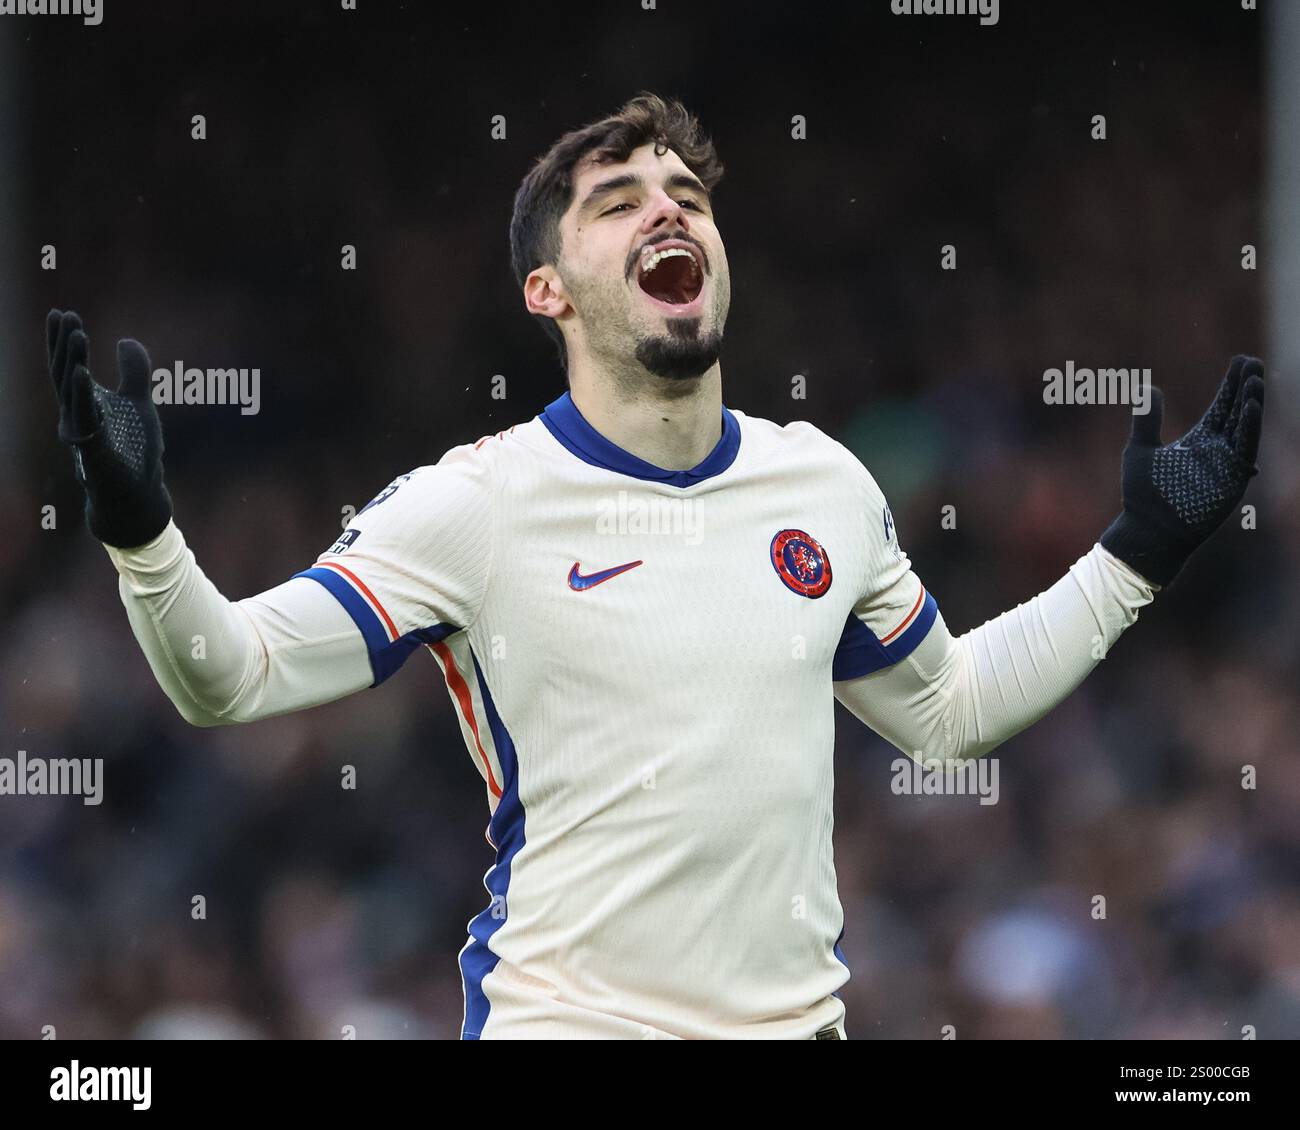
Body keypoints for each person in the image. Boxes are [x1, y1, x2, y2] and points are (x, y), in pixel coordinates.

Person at [44, 92, 1265, 1040]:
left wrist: (1133, 556)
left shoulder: (822, 485)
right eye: (618, 200)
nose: (668, 210)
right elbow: (234, 677)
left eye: (686, 193)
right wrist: (143, 533)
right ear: (547, 288)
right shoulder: (475, 501)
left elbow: (944, 712)